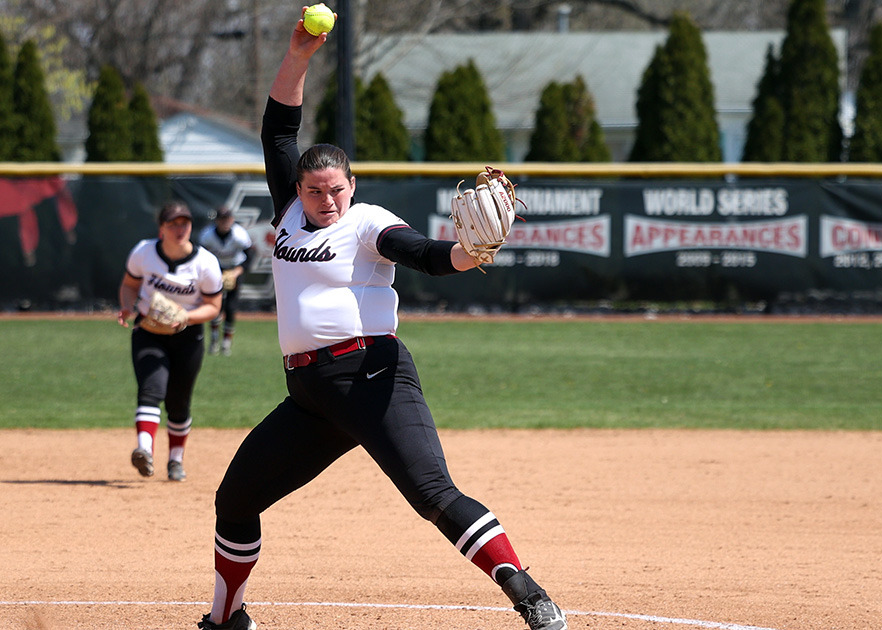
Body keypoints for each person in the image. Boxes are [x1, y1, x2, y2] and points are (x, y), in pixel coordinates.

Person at [197, 12, 567, 630]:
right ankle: (226, 616)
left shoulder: (366, 221)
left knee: (433, 496)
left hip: (373, 379)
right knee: (234, 500)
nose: (328, 199)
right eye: (316, 190)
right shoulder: (289, 210)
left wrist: (465, 253)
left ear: (352, 185)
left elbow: (421, 254)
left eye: (336, 188)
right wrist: (298, 55)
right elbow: (278, 127)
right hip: (310, 396)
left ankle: (529, 593)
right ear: (299, 189)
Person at [116, 201, 223, 482]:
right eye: (173, 223)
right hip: (149, 331)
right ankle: (145, 449)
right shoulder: (144, 252)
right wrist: (127, 306)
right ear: (161, 228)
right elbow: (129, 285)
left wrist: (186, 316)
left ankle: (175, 461)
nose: (180, 228)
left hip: (187, 335)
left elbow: (213, 307)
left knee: (179, 401)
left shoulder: (205, 263)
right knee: (152, 388)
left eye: (185, 223)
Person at [197, 206, 255, 356]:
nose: (225, 222)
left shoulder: (239, 235)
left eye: (227, 219)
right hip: (216, 269)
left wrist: (237, 272)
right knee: (216, 305)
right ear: (216, 221)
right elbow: (200, 257)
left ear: (232, 220)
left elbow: (250, 255)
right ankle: (215, 339)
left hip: (235, 268)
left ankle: (226, 343)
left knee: (230, 307)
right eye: (222, 219)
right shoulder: (207, 235)